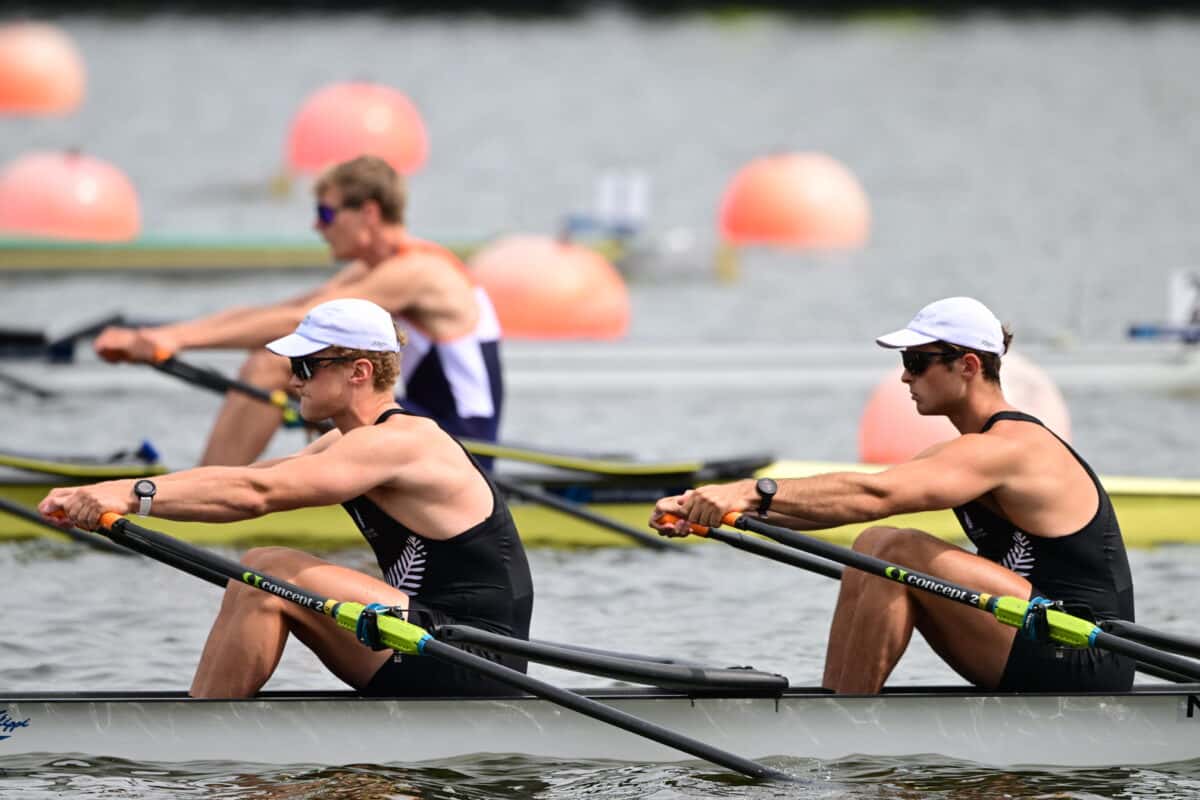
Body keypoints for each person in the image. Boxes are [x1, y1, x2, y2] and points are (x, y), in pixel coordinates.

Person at [42, 298, 533, 698]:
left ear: (359, 371)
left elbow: (257, 495)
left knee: (269, 570)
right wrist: (106, 496)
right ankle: (203, 718)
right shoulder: (346, 443)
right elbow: (237, 482)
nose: (294, 378)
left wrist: (129, 493)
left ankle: (202, 740)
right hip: (422, 639)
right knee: (249, 578)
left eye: (307, 364)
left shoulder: (403, 443)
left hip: (474, 655)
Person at [650, 296, 1135, 695]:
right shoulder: (961, 451)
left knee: (899, 549)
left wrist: (746, 489)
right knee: (873, 543)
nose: (905, 377)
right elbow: (845, 507)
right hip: (1029, 633)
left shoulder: (1013, 449)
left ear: (967, 365)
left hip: (1083, 650)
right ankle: (837, 701)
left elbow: (874, 492)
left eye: (917, 362)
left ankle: (846, 727)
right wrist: (718, 512)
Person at [92, 155, 503, 467]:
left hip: (462, 447)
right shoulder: (372, 269)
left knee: (274, 366)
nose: (316, 226)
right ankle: (223, 482)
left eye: (326, 213)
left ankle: (207, 493)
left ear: (369, 214)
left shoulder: (419, 272)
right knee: (301, 367)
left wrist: (176, 341)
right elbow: (282, 312)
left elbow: (294, 325)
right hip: (422, 425)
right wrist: (162, 335)